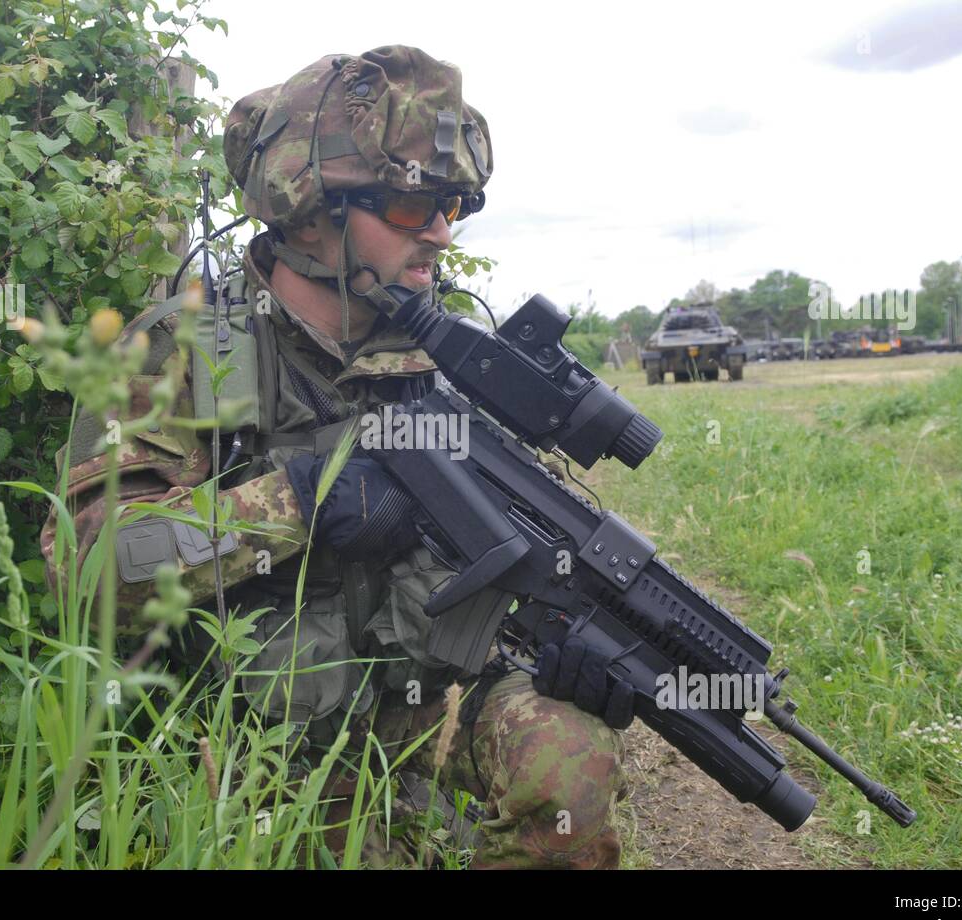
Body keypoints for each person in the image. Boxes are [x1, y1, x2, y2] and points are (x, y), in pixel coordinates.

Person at [40, 45, 628, 868]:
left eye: (454, 202)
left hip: (414, 746)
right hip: (238, 770)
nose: (441, 230)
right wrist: (297, 504)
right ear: (308, 207)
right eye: (408, 204)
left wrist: (568, 654)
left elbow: (500, 585)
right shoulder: (191, 349)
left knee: (572, 755)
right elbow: (86, 567)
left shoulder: (442, 365)